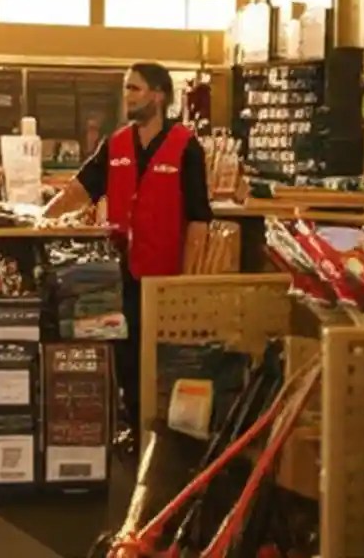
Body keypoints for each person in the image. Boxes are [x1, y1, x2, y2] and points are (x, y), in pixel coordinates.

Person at [43, 62, 212, 442]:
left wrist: (188, 280)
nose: (128, 96)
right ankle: (129, 426)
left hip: (163, 275)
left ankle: (153, 432)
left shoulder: (187, 146)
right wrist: (41, 218)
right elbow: (79, 190)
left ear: (158, 95)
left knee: (155, 358)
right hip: (116, 275)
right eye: (126, 89)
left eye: (135, 89)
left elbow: (199, 219)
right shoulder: (115, 143)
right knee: (121, 352)